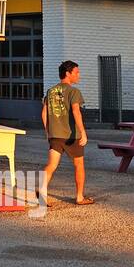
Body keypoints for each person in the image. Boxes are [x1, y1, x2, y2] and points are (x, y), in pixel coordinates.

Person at [39, 60, 93, 206]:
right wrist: (83, 132)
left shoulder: (50, 91)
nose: (78, 75)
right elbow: (76, 111)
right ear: (68, 73)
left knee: (51, 165)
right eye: (76, 72)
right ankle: (79, 197)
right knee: (79, 165)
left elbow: (44, 113)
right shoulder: (74, 92)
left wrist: (48, 131)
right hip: (71, 136)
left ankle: (42, 191)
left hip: (55, 135)